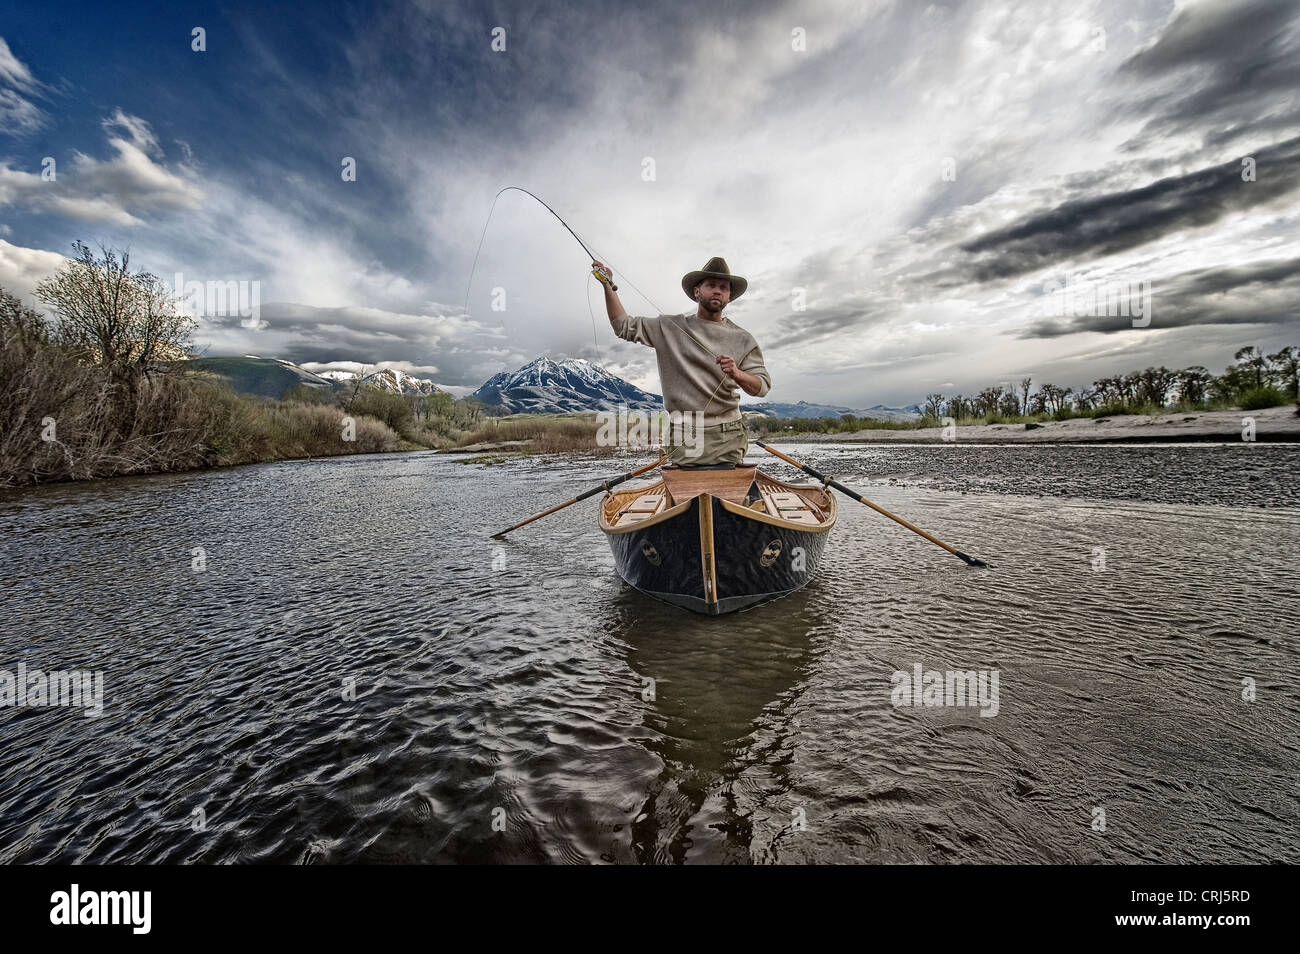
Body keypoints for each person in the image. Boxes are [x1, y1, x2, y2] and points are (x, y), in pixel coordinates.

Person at [593, 256, 771, 467]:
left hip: (728, 435)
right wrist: (607, 285)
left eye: (723, 287)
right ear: (697, 292)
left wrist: (736, 373)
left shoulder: (743, 339)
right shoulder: (669, 326)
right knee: (685, 497)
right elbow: (622, 326)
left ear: (729, 296)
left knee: (726, 497)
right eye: (711, 285)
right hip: (682, 433)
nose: (717, 291)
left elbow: (761, 387)